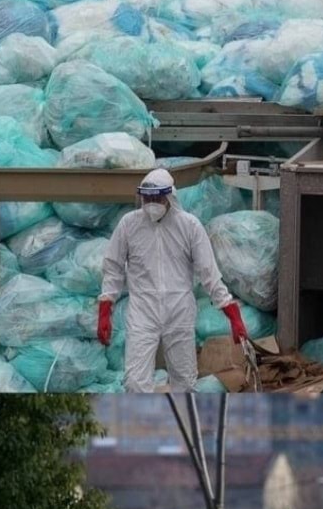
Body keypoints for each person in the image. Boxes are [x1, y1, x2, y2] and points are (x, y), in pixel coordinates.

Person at [98, 166, 249, 393]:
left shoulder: (189, 226)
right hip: (143, 310)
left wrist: (232, 314)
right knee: (135, 382)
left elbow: (209, 272)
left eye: (158, 197)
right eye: (147, 197)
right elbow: (113, 267)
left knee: (184, 381)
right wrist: (105, 309)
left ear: (170, 196)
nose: (152, 203)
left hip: (179, 310)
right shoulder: (129, 225)